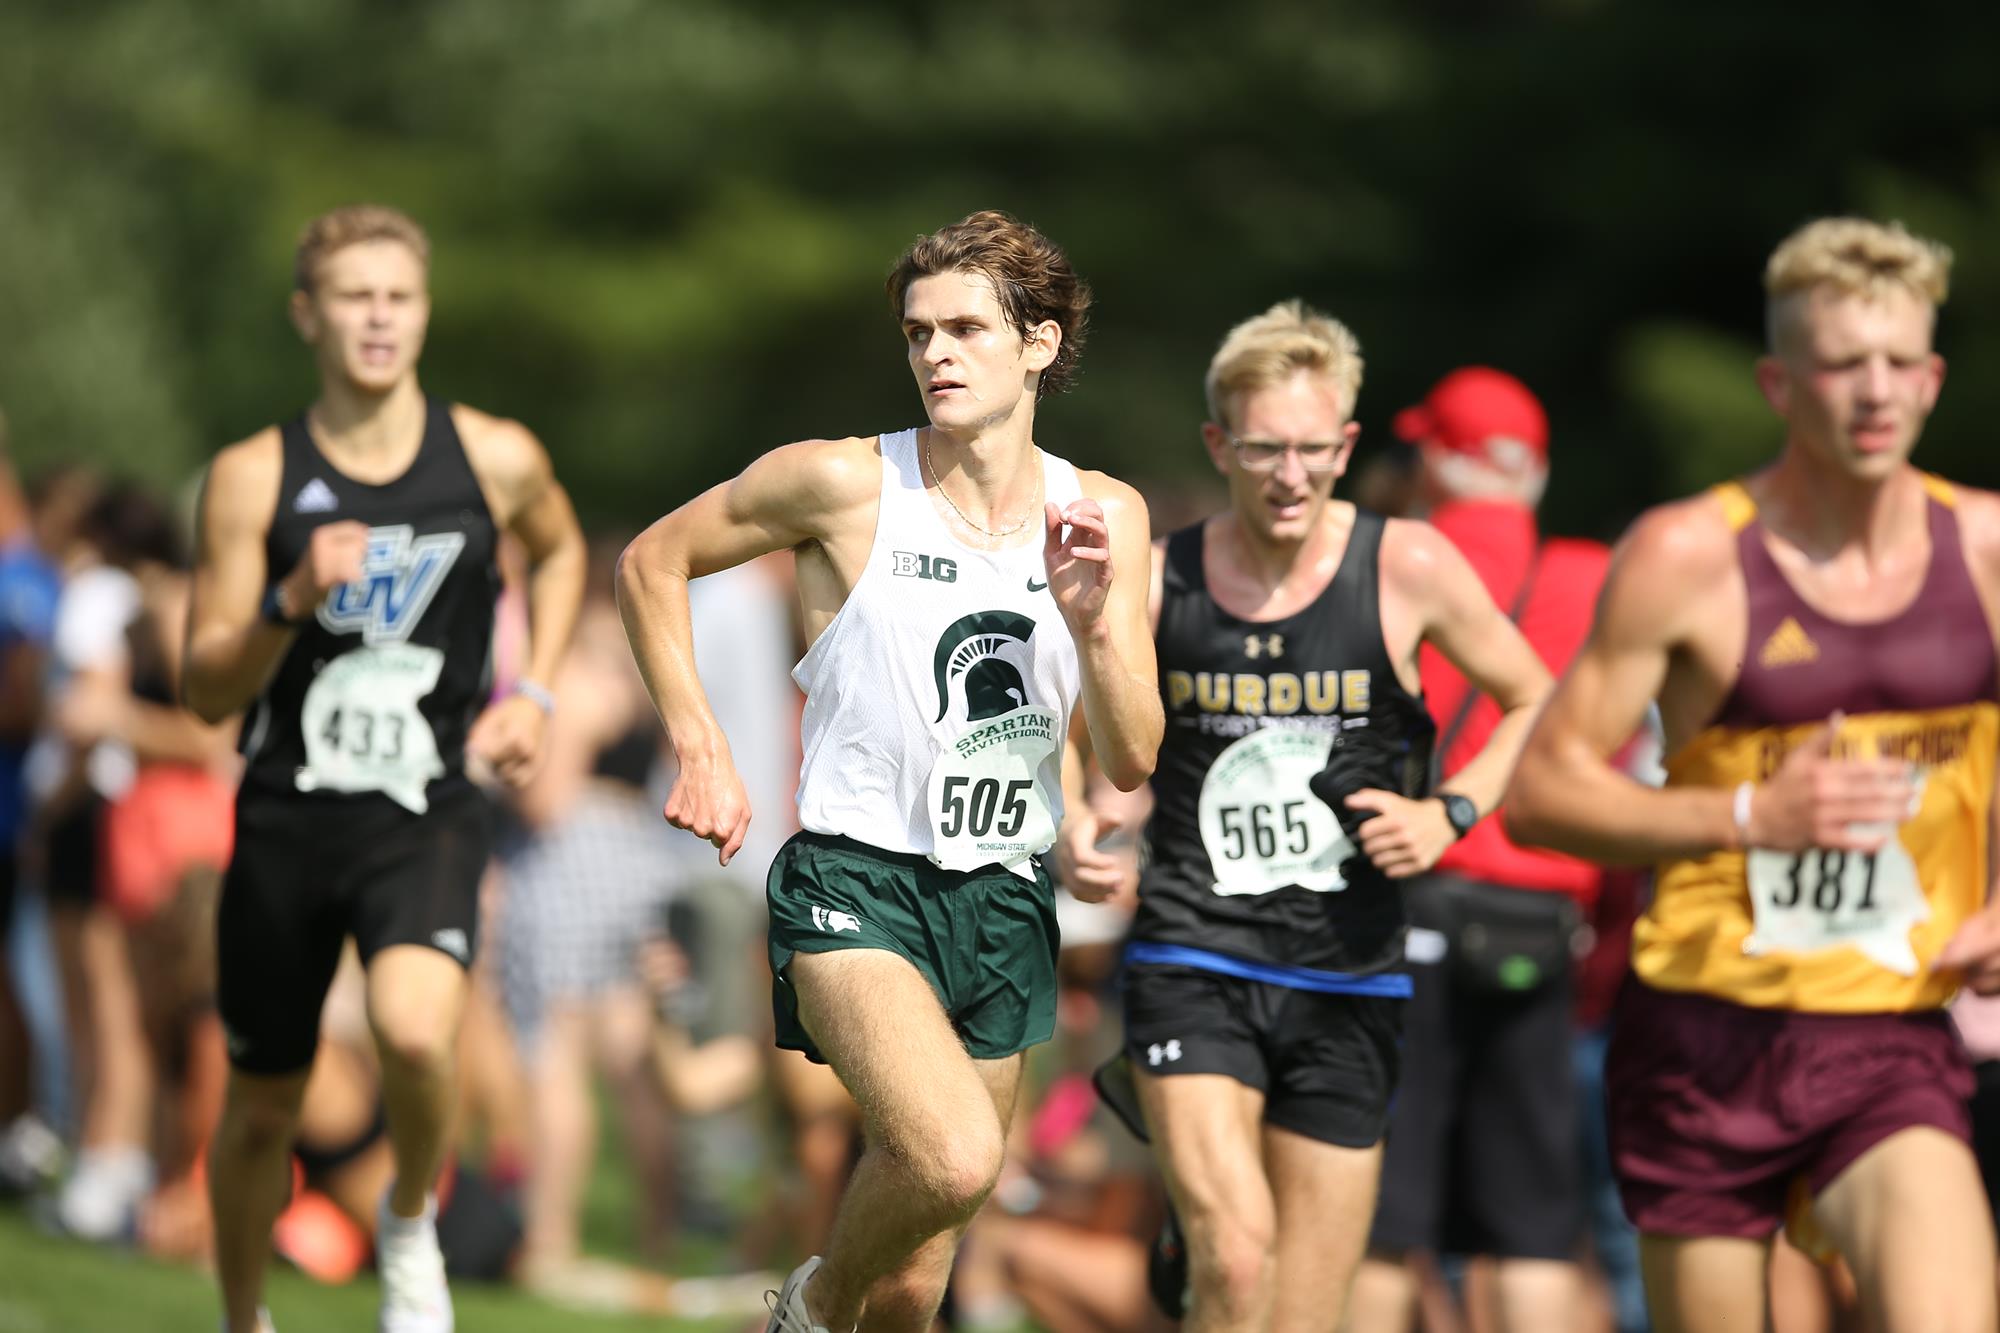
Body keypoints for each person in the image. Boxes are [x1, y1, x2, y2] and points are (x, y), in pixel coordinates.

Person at [617, 209, 1162, 1333]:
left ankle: (841, 1302)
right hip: (853, 882)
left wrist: (1097, 625)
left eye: (966, 328)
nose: (936, 355)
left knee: (919, 1277)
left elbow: (1132, 752)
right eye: (919, 333)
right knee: (954, 1158)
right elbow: (649, 559)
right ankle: (808, 1305)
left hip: (1004, 897)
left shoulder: (1103, 514)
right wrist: (701, 742)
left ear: (1041, 344)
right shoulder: (842, 484)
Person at [1504, 216, 2000, 1333]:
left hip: (1888, 1032)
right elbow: (1540, 794)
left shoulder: (1982, 546)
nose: (1871, 392)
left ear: (1929, 378)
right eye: (1838, 364)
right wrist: (1747, 814)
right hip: (1701, 1034)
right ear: (1780, 382)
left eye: (1895, 364)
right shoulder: (1686, 555)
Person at [1066, 301, 1551, 1333]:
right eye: (1261, 450)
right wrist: (1072, 821)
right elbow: (1077, 723)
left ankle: (1193, 1262)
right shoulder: (1167, 579)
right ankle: (1199, 1249)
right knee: (1237, 1261)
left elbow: (1530, 694)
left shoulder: (1405, 564)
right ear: (1218, 446)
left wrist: (1448, 810)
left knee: (1302, 1312)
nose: (1288, 475)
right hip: (1195, 956)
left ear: (1344, 446)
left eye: (1309, 450)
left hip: (1349, 970)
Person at [181, 203, 585, 1333]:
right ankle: (243, 1312)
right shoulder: (253, 477)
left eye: (398, 296)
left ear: (422, 312)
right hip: (288, 815)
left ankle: (409, 1217)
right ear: (307, 315)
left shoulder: (493, 455)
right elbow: (205, 689)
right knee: (262, 1108)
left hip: (427, 806)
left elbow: (557, 554)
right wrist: (287, 600)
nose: (378, 317)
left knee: (414, 1029)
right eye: (354, 296)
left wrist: (535, 692)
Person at [1346, 368, 1612, 1332]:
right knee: (1532, 1226)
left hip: (1406, 906)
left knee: (1383, 1217)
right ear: (1533, 470)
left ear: (1442, 461)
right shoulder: (1596, 577)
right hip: (1544, 923)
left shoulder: (1390, 559)